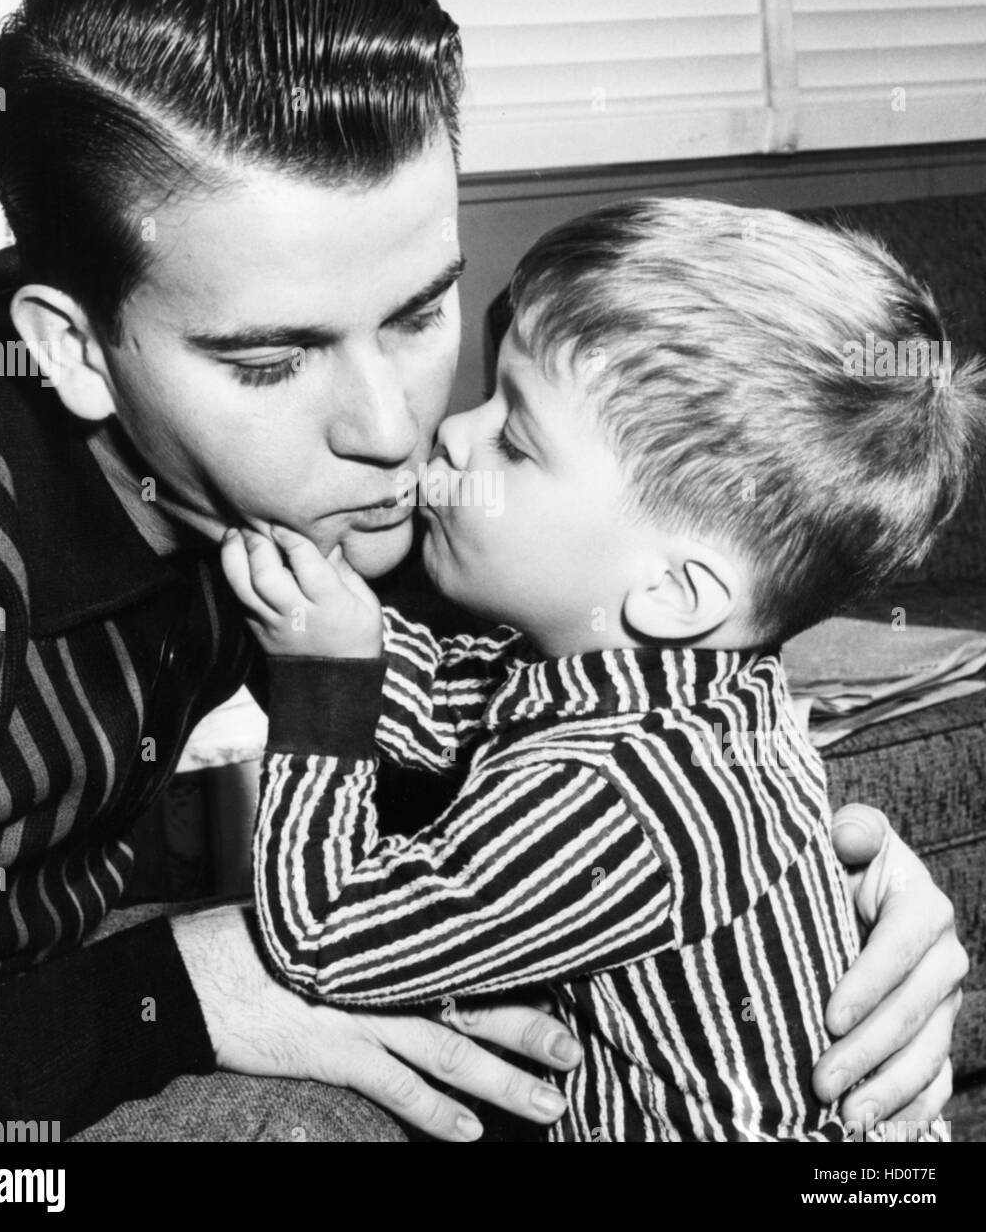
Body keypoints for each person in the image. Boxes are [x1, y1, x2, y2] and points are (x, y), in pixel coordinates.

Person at [0, 0, 965, 1143]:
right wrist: (172, 993)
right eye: (269, 362)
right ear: (76, 353)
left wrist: (836, 887)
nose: (394, 433)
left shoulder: (329, 449)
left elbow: (592, 661)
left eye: (419, 316)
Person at [225, 198, 985, 1141]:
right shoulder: (670, 687)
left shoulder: (618, 796)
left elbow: (325, 939)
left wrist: (320, 691)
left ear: (674, 593)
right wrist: (313, 630)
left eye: (516, 439)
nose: (457, 436)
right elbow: (445, 694)